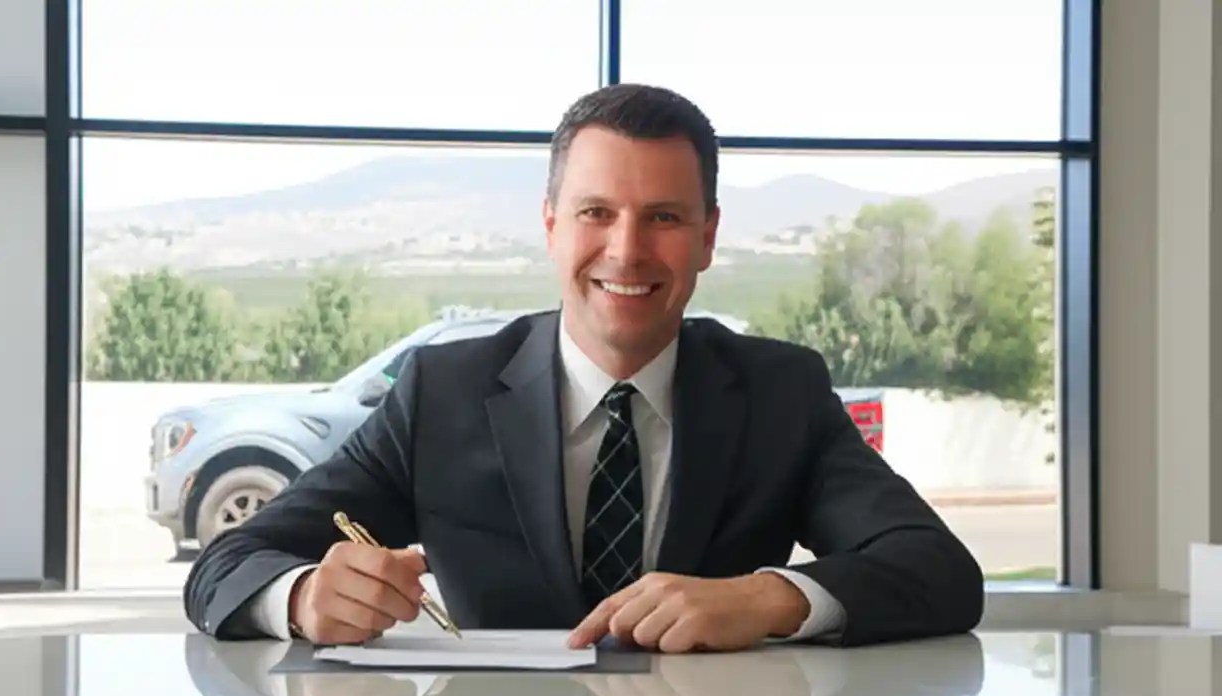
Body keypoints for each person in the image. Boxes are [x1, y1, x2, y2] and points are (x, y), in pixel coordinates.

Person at [183, 83, 984, 650]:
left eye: (664, 218)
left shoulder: (782, 393)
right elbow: (227, 563)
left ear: (708, 236)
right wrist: (301, 598)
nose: (627, 251)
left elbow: (940, 572)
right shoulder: (442, 394)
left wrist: (767, 597)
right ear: (551, 226)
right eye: (597, 213)